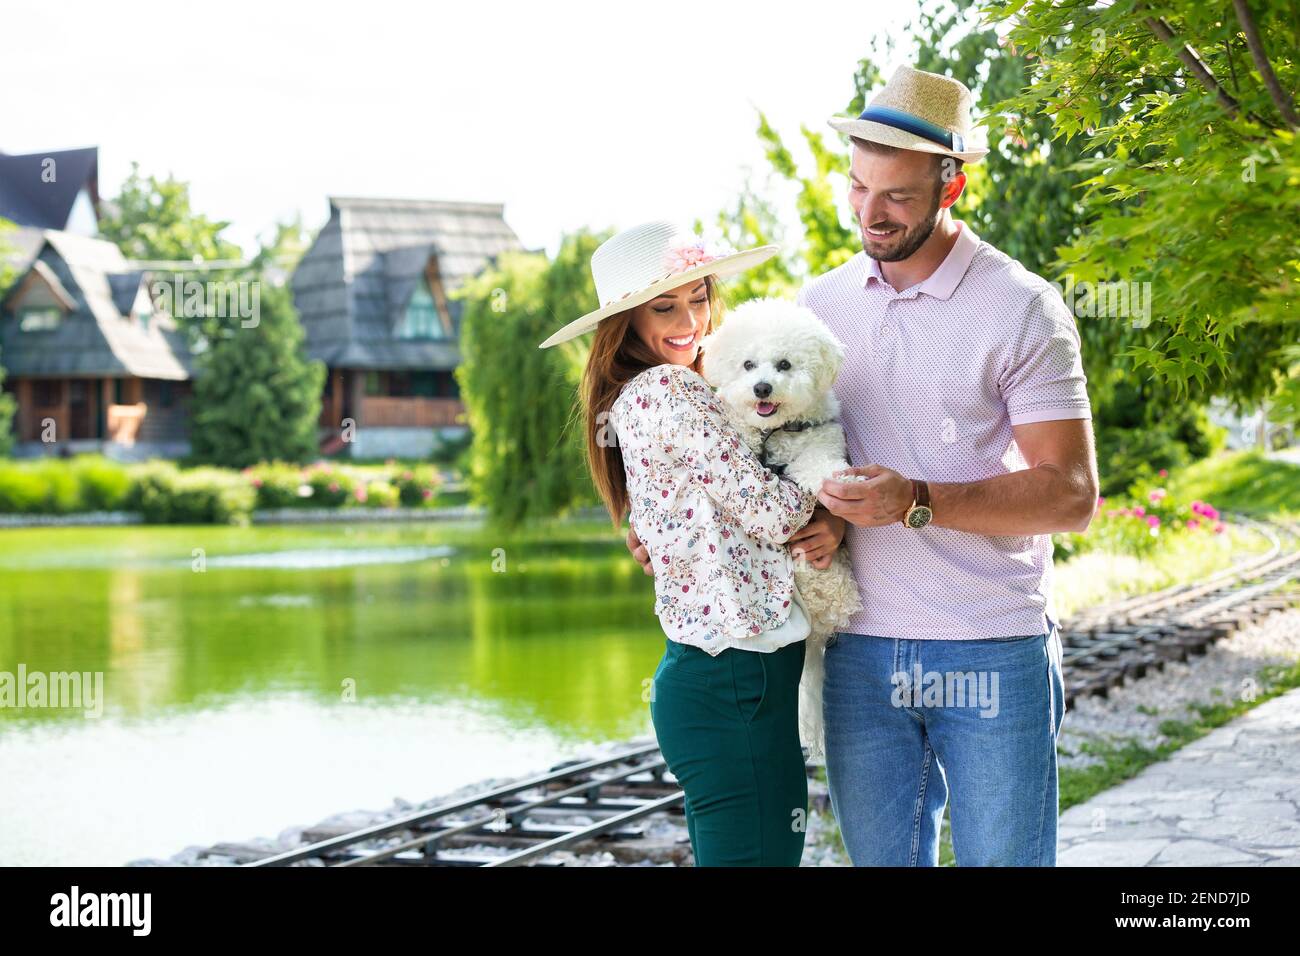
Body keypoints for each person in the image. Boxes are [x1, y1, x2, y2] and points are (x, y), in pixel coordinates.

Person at [629, 65, 1100, 866]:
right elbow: (760, 449)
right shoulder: (821, 304)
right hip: (858, 654)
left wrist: (916, 499)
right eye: (857, 188)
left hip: (988, 648)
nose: (870, 214)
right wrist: (675, 533)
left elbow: (1070, 495)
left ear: (950, 190)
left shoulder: (1022, 308)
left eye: (898, 197)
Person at [538, 221, 840, 865]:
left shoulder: (665, 391)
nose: (690, 321)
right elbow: (771, 511)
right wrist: (827, 481)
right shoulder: (670, 392)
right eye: (664, 306)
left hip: (726, 679)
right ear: (625, 323)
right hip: (735, 678)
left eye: (699, 297)